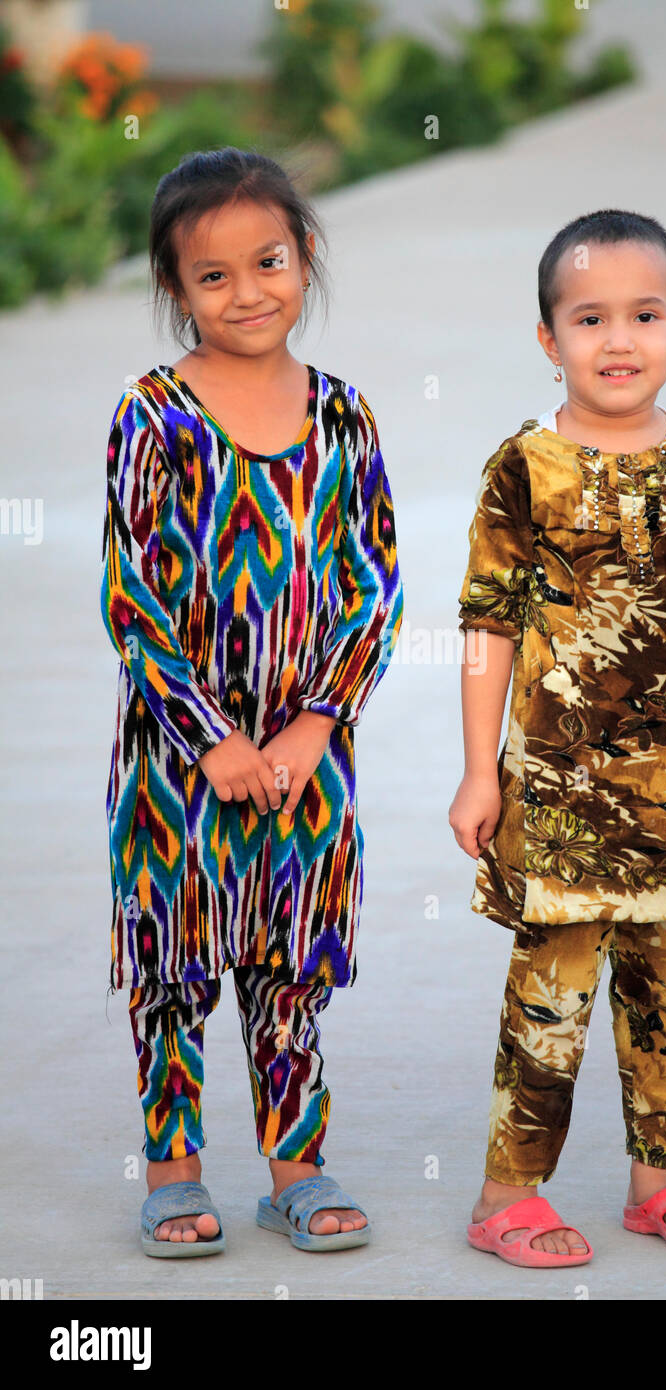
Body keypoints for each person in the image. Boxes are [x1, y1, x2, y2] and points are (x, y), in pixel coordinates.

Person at [449, 208, 666, 1267]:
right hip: (555, 796)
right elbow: (486, 626)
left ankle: (656, 1180)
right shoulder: (523, 469)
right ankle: (508, 1195)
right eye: (588, 318)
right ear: (548, 338)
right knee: (549, 991)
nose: (618, 339)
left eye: (645, 314)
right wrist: (474, 772)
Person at [100, 147, 403, 1257]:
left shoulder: (342, 416)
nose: (246, 292)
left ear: (304, 256)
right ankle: (173, 1171)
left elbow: (375, 580)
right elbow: (133, 594)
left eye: (267, 262)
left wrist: (316, 721)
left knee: (286, 964)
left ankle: (296, 1165)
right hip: (181, 763)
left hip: (306, 760)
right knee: (174, 963)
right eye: (212, 276)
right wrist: (211, 737)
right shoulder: (152, 416)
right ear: (176, 289)